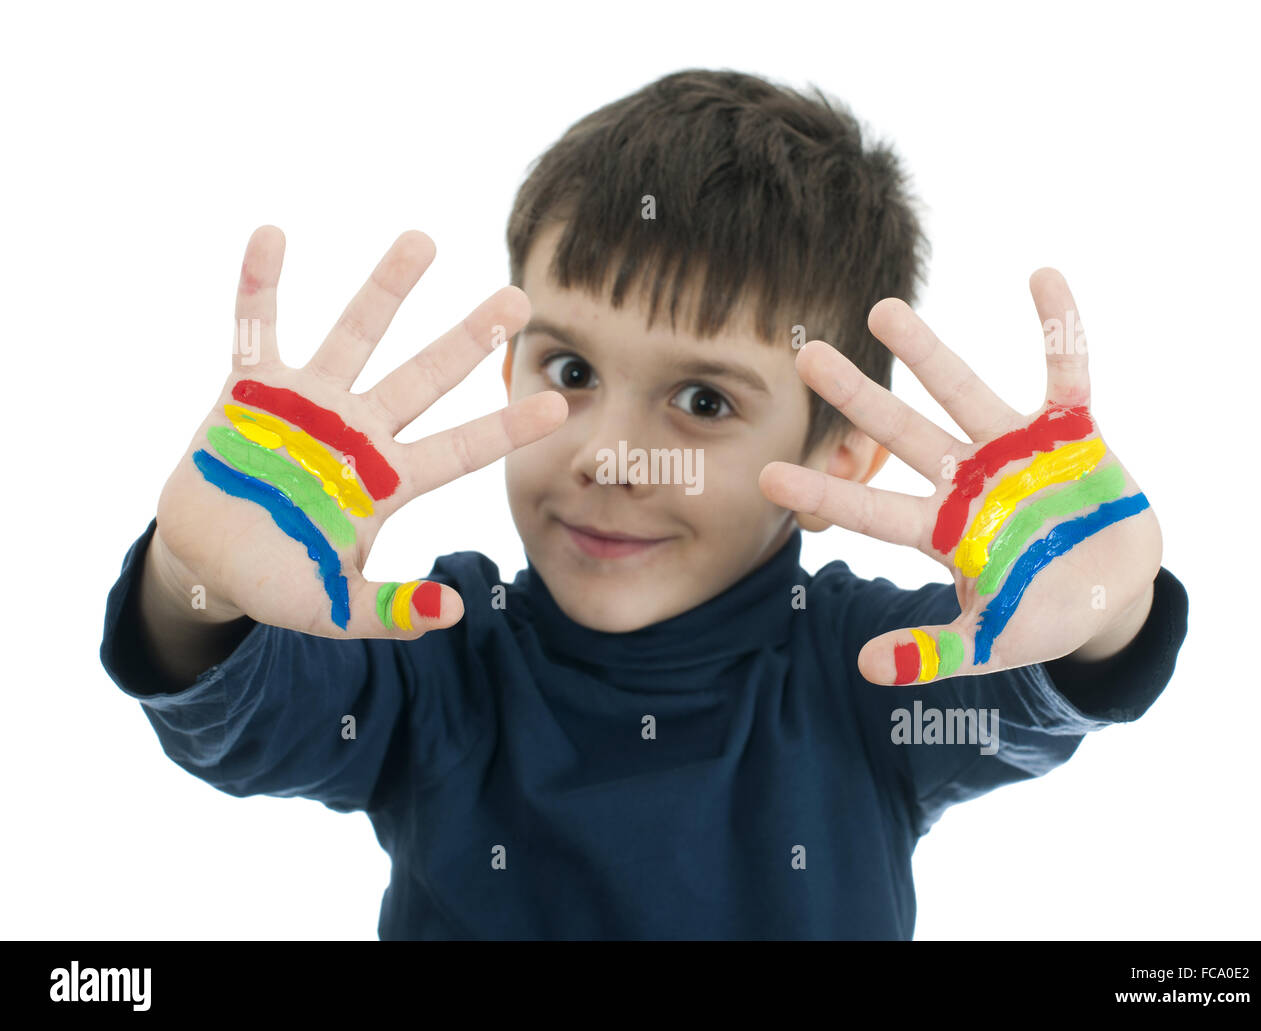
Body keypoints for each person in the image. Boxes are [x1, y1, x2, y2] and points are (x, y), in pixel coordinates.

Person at [100, 68, 1189, 939]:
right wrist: (194, 578)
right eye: (568, 371)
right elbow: (237, 718)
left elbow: (1038, 686)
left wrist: (1103, 605)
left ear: (843, 452)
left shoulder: (870, 672)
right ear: (509, 368)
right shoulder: (436, 654)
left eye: (704, 399)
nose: (611, 456)